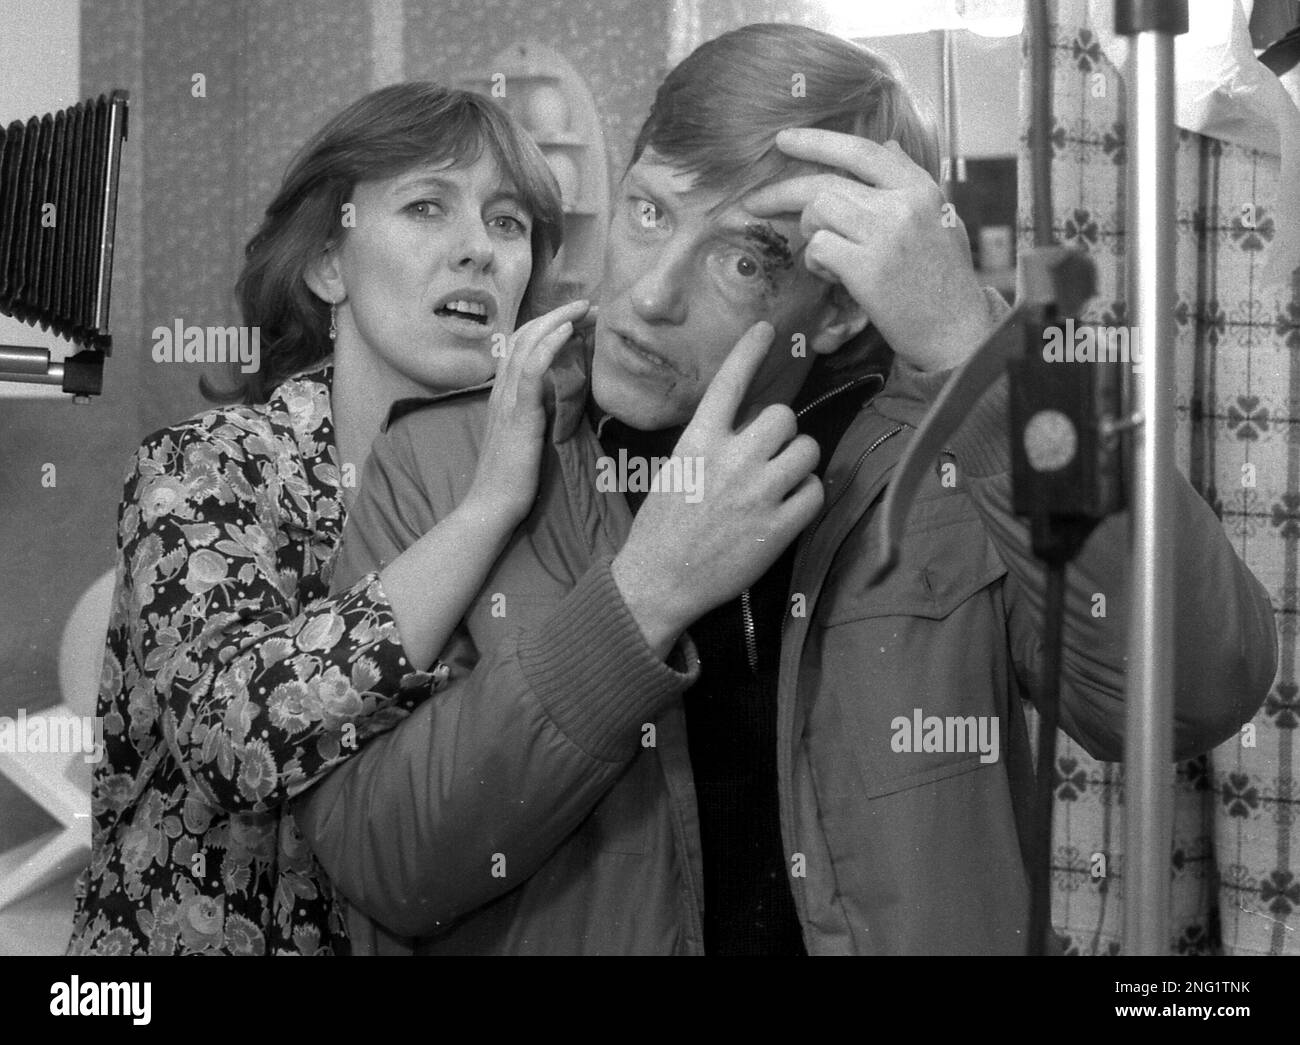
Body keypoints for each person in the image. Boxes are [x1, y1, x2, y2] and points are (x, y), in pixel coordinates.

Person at [293, 24, 1278, 955]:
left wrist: (979, 353)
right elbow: (383, 860)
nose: (650, 292)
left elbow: (1189, 691)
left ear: (840, 305)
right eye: (648, 211)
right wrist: (642, 598)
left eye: (741, 259)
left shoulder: (940, 466)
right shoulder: (450, 459)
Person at [66, 81, 585, 955]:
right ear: (328, 265)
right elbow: (235, 741)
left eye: (507, 223)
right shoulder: (202, 467)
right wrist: (486, 510)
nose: (478, 251)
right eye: (427, 206)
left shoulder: (560, 487)